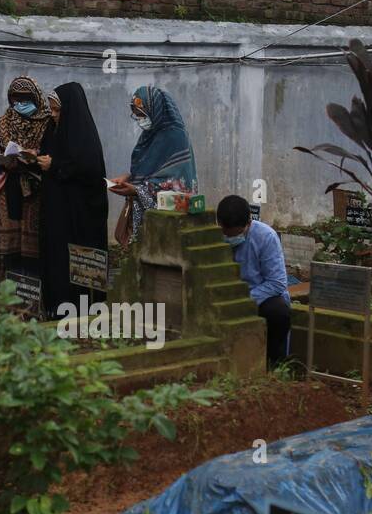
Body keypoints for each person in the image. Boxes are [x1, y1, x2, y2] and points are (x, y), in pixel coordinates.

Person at [36, 82, 108, 315]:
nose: (54, 115)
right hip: (57, 213)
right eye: (52, 110)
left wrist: (55, 165)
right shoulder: (52, 130)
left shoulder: (82, 135)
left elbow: (89, 170)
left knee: (77, 261)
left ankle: (83, 311)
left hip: (79, 217)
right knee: (56, 259)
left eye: (58, 110)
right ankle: (56, 308)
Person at [108, 86, 198, 243]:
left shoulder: (176, 136)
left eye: (141, 114)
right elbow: (150, 169)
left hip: (170, 216)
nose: (139, 119)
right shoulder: (148, 136)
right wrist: (128, 178)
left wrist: (137, 189)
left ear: (155, 110)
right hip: (143, 214)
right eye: (136, 115)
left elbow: (177, 181)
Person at [216, 194, 291, 368]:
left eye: (236, 234)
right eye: (226, 234)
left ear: (248, 223)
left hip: (260, 295)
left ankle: (274, 365)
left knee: (279, 313)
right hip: (227, 294)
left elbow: (277, 283)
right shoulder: (215, 236)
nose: (230, 239)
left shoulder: (266, 237)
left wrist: (245, 300)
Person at [0, 76, 52, 276]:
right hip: (10, 187)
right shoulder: (4, 122)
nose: (21, 105)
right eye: (16, 100)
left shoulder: (47, 123)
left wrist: (34, 155)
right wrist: (4, 159)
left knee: (33, 238)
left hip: (37, 188)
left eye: (26, 100)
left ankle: (34, 283)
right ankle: (10, 281)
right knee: (10, 234)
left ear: (37, 99)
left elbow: (53, 152)